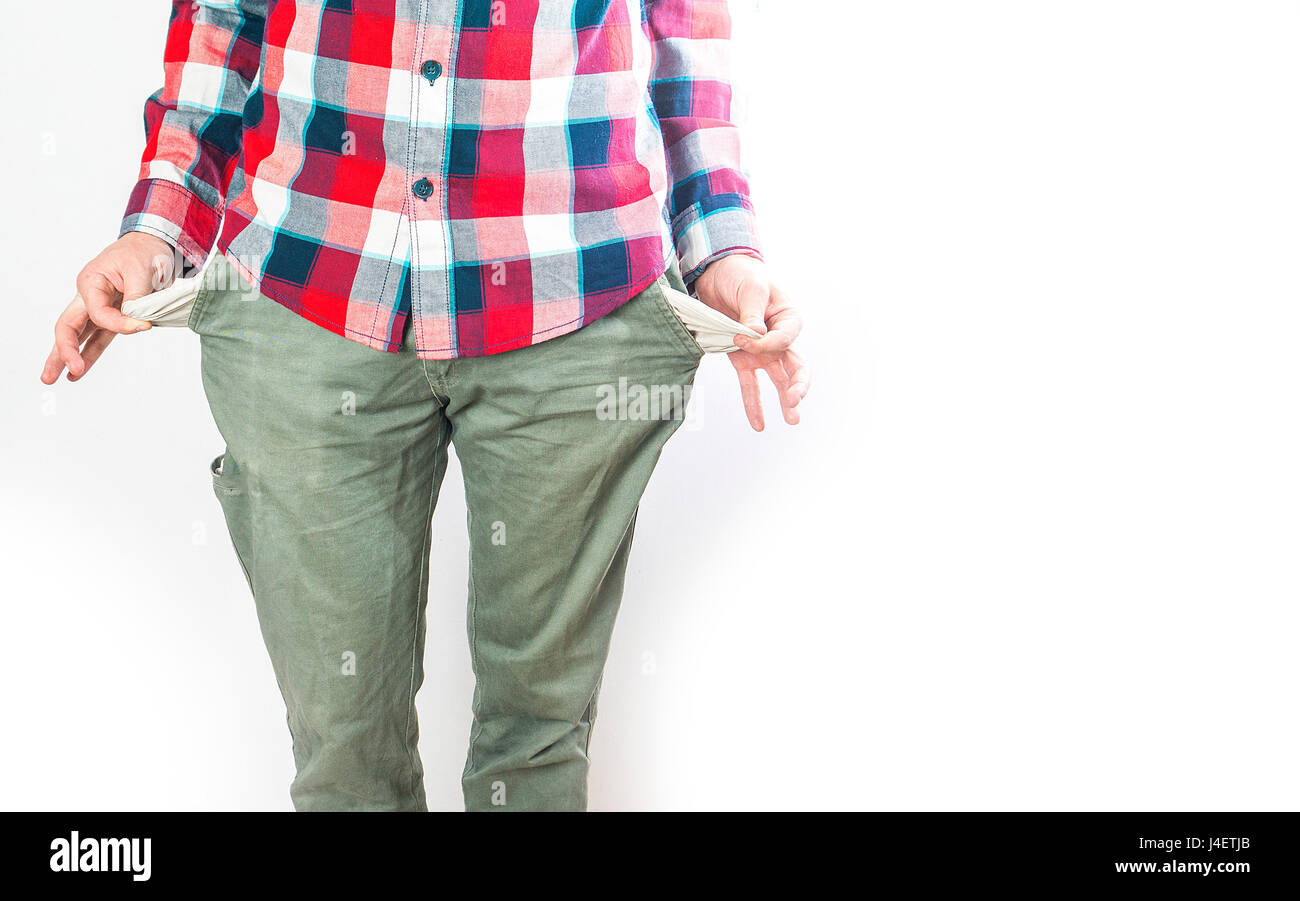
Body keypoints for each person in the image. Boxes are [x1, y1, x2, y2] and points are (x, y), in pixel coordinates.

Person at [41, 0, 808, 811]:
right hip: (308, 279)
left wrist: (721, 244)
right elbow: (221, 16)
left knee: (539, 745)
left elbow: (685, 26)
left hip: (579, 280)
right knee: (343, 753)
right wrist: (158, 229)